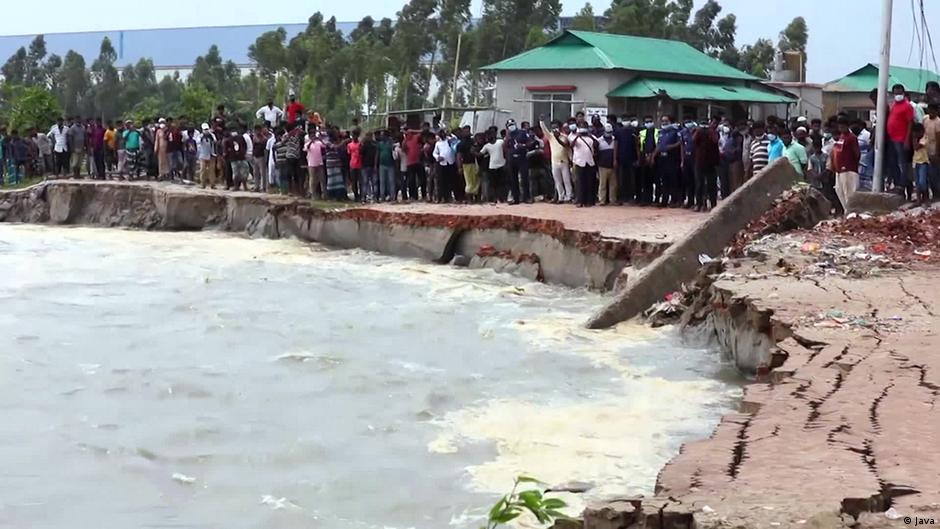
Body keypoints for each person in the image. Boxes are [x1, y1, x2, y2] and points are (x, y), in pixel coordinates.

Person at [887, 83, 915, 198]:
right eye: (896, 93)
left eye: (899, 92)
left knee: (903, 164)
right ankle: (898, 184)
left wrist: (907, 140)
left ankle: (903, 186)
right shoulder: (893, 105)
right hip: (892, 138)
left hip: (902, 138)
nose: (897, 95)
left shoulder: (907, 106)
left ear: (903, 93)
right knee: (894, 164)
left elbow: (910, 123)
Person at [831, 117, 861, 213]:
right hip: (840, 170)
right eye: (840, 127)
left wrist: (851, 165)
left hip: (848, 170)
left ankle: (851, 213)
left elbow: (857, 154)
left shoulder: (851, 138)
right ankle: (847, 212)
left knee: (849, 194)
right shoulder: (841, 137)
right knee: (840, 192)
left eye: (843, 126)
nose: (841, 128)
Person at [541, 119, 573, 203]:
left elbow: (567, 148)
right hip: (554, 161)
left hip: (564, 161)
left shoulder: (564, 137)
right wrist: (542, 122)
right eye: (553, 128)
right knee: (557, 181)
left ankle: (568, 196)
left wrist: (571, 160)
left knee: (566, 180)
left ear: (560, 128)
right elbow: (544, 130)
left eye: (556, 127)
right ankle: (561, 197)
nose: (555, 129)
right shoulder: (551, 137)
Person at [692, 117, 720, 211]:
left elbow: (716, 140)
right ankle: (699, 204)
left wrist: (710, 130)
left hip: (711, 162)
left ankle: (713, 204)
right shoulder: (698, 132)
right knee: (699, 184)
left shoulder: (713, 132)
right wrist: (699, 130)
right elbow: (694, 140)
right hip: (700, 161)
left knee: (711, 184)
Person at [653, 115, 681, 207]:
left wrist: (669, 147)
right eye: (662, 121)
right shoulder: (661, 132)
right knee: (664, 180)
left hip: (672, 158)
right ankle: (664, 201)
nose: (664, 122)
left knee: (673, 179)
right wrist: (653, 156)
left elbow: (679, 143)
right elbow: (659, 145)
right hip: (662, 158)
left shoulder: (675, 131)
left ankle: (674, 200)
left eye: (666, 121)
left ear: (671, 122)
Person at [505, 119, 533, 204]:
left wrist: (523, 145)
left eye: (512, 124)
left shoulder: (522, 132)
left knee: (524, 178)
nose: (511, 126)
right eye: (509, 125)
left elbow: (530, 143)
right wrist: (507, 138)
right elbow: (506, 146)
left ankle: (526, 197)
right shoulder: (508, 135)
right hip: (512, 159)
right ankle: (515, 198)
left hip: (522, 158)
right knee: (513, 180)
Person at [570, 126, 597, 207]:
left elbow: (597, 144)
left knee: (589, 183)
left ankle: (589, 201)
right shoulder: (576, 139)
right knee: (580, 183)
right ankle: (580, 201)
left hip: (589, 162)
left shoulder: (590, 138)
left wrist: (590, 135)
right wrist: (577, 136)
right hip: (579, 162)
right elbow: (571, 145)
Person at [479, 132, 506, 203]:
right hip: (492, 166)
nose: (488, 137)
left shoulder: (500, 142)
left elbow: (506, 148)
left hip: (502, 165)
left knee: (502, 183)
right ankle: (494, 198)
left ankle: (502, 198)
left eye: (489, 135)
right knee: (493, 184)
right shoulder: (486, 146)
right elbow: (480, 154)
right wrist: (473, 152)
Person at [596, 123, 618, 205]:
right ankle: (602, 200)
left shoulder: (614, 140)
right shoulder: (599, 141)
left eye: (610, 132)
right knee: (602, 184)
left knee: (613, 185)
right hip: (602, 165)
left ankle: (613, 200)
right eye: (607, 132)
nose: (609, 133)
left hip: (612, 165)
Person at [638, 116, 657, 205]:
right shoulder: (642, 132)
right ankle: (645, 199)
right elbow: (639, 145)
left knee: (655, 180)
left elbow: (658, 145)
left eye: (650, 121)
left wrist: (652, 156)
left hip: (655, 159)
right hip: (644, 159)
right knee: (644, 180)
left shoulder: (657, 131)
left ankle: (656, 199)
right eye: (646, 122)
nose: (648, 123)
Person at [223, 127, 250, 191]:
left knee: (244, 173)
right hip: (233, 158)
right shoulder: (228, 139)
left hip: (241, 157)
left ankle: (244, 186)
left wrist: (243, 152)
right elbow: (226, 149)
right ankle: (236, 186)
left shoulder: (241, 138)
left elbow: (245, 146)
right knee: (235, 173)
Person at [679, 117, 696, 207]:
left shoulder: (696, 131)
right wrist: (682, 160)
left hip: (695, 158)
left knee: (695, 181)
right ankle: (689, 201)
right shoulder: (683, 132)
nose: (687, 124)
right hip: (686, 158)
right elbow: (682, 146)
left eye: (689, 122)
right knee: (688, 181)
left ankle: (697, 201)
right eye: (686, 122)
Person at [912, 122, 931, 204]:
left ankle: (926, 197)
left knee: (922, 181)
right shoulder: (916, 138)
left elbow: (916, 147)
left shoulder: (925, 138)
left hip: (923, 162)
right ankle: (919, 199)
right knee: (917, 182)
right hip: (916, 162)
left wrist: (914, 138)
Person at [376, 130, 396, 202]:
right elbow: (377, 154)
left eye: (382, 135)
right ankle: (382, 196)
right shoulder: (380, 144)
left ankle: (392, 196)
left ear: (386, 136)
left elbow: (394, 154)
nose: (381, 136)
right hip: (382, 164)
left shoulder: (391, 144)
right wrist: (376, 165)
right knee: (382, 181)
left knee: (391, 181)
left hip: (391, 164)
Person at [306, 131, 326, 199]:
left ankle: (324, 194)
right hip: (311, 164)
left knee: (322, 179)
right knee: (312, 179)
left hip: (319, 163)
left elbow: (324, 146)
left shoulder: (318, 143)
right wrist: (311, 141)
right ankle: (312, 194)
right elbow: (307, 148)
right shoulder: (307, 144)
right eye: (311, 136)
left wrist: (320, 139)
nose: (313, 137)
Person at [196, 123, 217, 189]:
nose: (206, 130)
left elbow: (215, 141)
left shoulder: (212, 135)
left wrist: (210, 136)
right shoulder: (200, 136)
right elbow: (198, 142)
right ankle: (203, 184)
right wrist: (203, 137)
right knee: (202, 170)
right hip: (203, 155)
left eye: (207, 129)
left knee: (212, 170)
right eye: (205, 129)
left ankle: (212, 184)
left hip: (211, 155)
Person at [360, 131, 378, 202]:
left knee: (366, 182)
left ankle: (364, 197)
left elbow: (360, 153)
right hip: (370, 165)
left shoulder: (365, 145)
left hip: (365, 166)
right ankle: (374, 197)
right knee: (373, 182)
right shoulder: (374, 145)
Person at [251, 125, 270, 192]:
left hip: (261, 157)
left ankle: (263, 187)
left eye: (257, 130)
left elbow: (265, 149)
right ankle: (256, 186)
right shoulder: (254, 137)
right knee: (255, 173)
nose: (256, 132)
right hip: (255, 156)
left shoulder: (264, 139)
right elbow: (253, 147)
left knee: (262, 173)